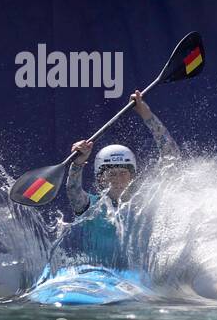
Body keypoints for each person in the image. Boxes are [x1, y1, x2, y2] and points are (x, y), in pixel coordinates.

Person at [61, 90, 180, 266]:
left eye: (123, 173)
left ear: (132, 176)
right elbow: (73, 190)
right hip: (98, 279)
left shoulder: (146, 204)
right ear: (100, 179)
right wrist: (77, 164)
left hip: (137, 280)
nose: (117, 179)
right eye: (111, 174)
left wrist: (147, 114)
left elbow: (171, 158)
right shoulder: (89, 207)